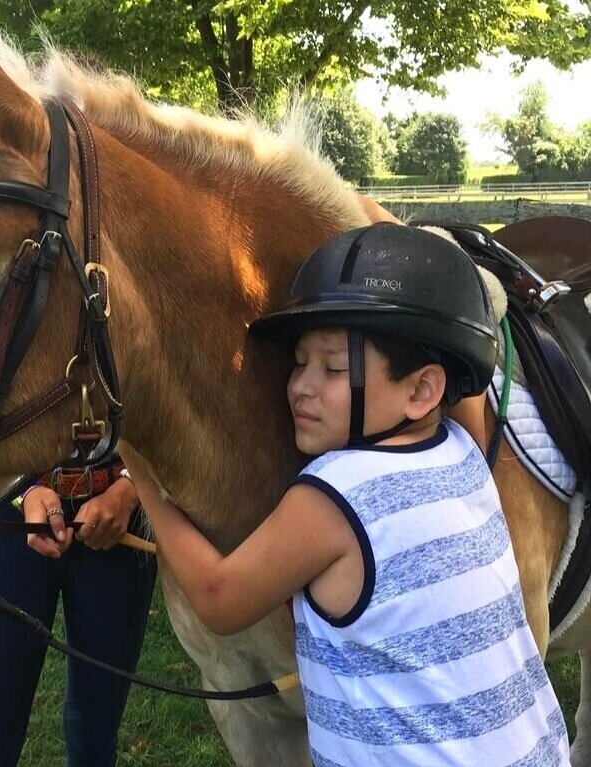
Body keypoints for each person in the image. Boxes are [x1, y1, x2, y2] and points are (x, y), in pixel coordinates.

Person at [120, 224, 569, 766]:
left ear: (422, 389)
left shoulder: (335, 494)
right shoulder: (461, 452)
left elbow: (218, 597)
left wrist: (139, 467)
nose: (300, 387)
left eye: (333, 368)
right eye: (299, 363)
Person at [0, 453, 157, 767]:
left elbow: (176, 424)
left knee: (95, 739)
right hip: (10, 506)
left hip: (119, 517)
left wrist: (131, 488)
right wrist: (23, 490)